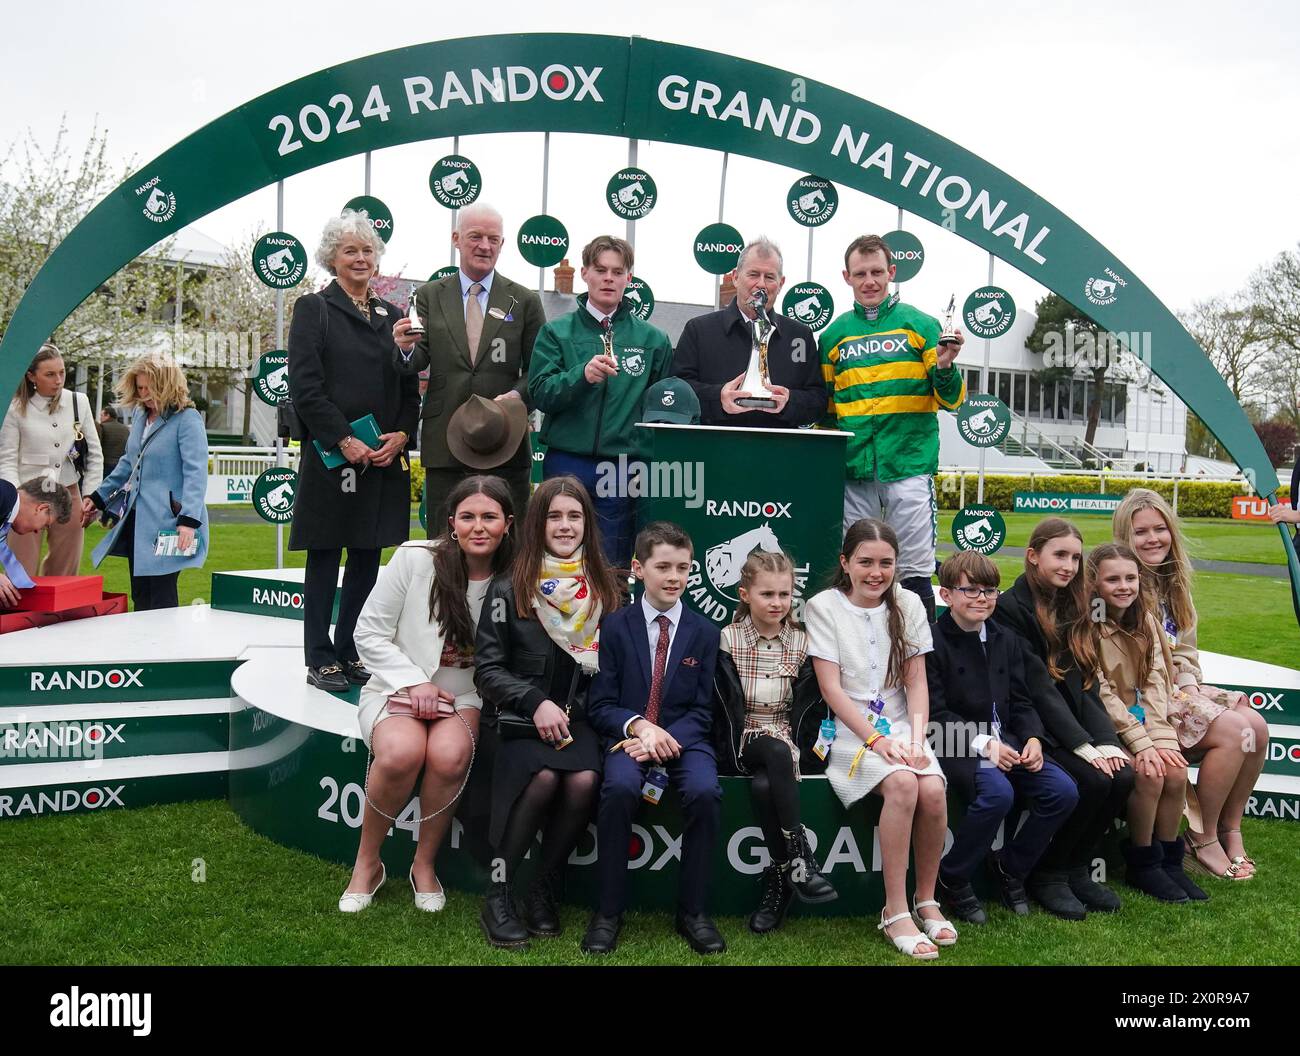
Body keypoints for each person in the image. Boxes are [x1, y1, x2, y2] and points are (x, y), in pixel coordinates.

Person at [338, 475, 515, 914]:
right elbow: (369, 632)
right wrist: (414, 682)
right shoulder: (415, 559)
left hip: (466, 696)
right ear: (452, 523)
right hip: (397, 687)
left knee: (449, 755)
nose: (479, 526)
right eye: (468, 516)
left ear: (508, 523)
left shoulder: (518, 575)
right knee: (401, 752)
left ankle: (424, 864)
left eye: (490, 517)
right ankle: (367, 864)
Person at [473, 476, 622, 949]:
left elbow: (615, 670)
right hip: (519, 719)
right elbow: (487, 670)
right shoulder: (508, 586)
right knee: (541, 779)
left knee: (581, 780)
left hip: (578, 718)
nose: (564, 525)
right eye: (554, 516)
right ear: (537, 522)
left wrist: (573, 710)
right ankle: (498, 893)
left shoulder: (608, 587)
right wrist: (535, 702)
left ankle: (542, 889)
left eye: (574, 516)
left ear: (587, 523)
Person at [805, 517, 955, 959]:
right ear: (845, 563)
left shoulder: (908, 603)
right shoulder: (823, 606)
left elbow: (917, 683)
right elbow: (832, 690)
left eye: (886, 563)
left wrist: (916, 737)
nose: (876, 572)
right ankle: (894, 910)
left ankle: (926, 899)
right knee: (905, 783)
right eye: (865, 562)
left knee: (932, 788)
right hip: (851, 733)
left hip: (903, 728)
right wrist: (876, 741)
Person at [287, 209, 420, 693]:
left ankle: (350, 649)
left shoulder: (394, 317)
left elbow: (410, 389)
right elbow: (305, 386)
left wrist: (402, 435)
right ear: (332, 259)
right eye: (350, 250)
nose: (361, 258)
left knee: (367, 558)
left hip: (383, 460)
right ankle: (319, 657)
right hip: (333, 457)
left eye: (367, 250)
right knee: (325, 558)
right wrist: (345, 440)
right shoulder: (313, 309)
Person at [584, 521, 723, 955]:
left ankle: (693, 912)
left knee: (704, 792)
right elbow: (600, 704)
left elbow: (704, 711)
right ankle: (608, 912)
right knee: (620, 786)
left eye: (683, 567)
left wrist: (661, 737)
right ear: (638, 569)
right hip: (628, 736)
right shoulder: (615, 626)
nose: (674, 577)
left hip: (685, 739)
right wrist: (639, 727)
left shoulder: (705, 631)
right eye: (663, 566)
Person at [1114, 488, 1268, 879]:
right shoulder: (1122, 583)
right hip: (1141, 702)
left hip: (1177, 691)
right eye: (1141, 532)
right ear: (1124, 538)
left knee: (1257, 726)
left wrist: (1191, 686)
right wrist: (1179, 691)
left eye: (1159, 528)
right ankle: (1201, 838)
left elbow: (1184, 653)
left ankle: (1228, 829)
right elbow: (1126, 670)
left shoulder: (1174, 583)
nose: (1152, 539)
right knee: (1234, 733)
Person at [927, 551, 1081, 923]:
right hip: (955, 741)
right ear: (947, 595)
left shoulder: (1006, 639)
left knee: (1063, 791)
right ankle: (953, 876)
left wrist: (1033, 739)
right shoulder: (932, 641)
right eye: (972, 590)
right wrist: (985, 744)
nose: (983, 598)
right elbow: (934, 713)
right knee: (998, 794)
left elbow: (1023, 701)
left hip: (1010, 741)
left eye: (991, 590)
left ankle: (1010, 867)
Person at [818, 235, 967, 622]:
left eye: (877, 272)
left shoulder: (921, 325)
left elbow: (951, 400)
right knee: (858, 565)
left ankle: (921, 660)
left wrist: (947, 366)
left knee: (914, 569)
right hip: (854, 470)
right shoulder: (833, 336)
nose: (870, 281)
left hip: (909, 466)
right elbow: (828, 410)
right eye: (861, 273)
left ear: (892, 273)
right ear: (846, 277)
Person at [991, 518, 1135, 914]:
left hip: (1064, 718)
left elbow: (1083, 681)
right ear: (1033, 556)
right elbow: (1036, 687)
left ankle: (1075, 868)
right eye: (1060, 555)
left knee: (1122, 773)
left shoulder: (1074, 604)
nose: (1069, 565)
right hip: (1027, 724)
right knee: (1090, 777)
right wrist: (1081, 745)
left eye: (1075, 557)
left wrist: (1105, 740)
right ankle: (1048, 873)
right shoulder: (1008, 608)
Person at [395, 204, 545, 525]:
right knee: (443, 545)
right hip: (445, 441)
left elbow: (539, 371)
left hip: (505, 441)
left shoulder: (525, 300)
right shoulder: (429, 296)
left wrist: (515, 400)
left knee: (509, 549)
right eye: (475, 236)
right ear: (456, 239)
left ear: (502, 244)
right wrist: (406, 350)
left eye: (493, 238)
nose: (485, 246)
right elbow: (417, 359)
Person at [529, 235, 673, 568]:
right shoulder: (557, 332)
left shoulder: (653, 340)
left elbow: (660, 413)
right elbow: (539, 393)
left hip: (621, 468)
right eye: (601, 269)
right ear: (585, 274)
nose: (609, 278)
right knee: (559, 560)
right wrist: (581, 376)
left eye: (617, 272)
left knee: (613, 564)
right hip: (567, 461)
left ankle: (612, 621)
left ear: (628, 279)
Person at [713, 549, 837, 935]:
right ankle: (801, 856)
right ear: (745, 594)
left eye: (784, 595)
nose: (777, 603)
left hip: (785, 738)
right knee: (775, 752)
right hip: (744, 737)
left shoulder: (802, 642)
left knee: (769, 781)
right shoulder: (727, 638)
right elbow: (724, 706)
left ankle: (781, 876)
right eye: (767, 594)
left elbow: (807, 708)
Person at [1073, 543, 1201, 903]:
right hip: (1106, 725)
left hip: (1148, 720)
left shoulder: (1145, 618)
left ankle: (1170, 862)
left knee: (1174, 771)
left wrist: (1160, 738)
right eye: (1112, 579)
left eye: (1130, 578)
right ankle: (1142, 863)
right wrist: (1139, 741)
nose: (1124, 586)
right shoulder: (1087, 624)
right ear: (1094, 583)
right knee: (1150, 774)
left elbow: (1157, 679)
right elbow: (1101, 691)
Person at [81, 353, 207, 610]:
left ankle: (166, 649)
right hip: (137, 520)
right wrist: (98, 498)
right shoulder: (140, 417)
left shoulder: (188, 419)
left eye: (151, 387)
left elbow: (196, 473)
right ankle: (142, 648)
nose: (145, 393)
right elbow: (129, 462)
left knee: (161, 597)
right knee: (141, 595)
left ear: (168, 384)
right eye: (140, 388)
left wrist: (188, 521)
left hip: (170, 523)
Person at [672, 238, 826, 428]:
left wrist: (790, 401)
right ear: (736, 277)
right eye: (753, 274)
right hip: (714, 448)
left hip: (782, 451)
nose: (761, 284)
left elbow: (818, 401)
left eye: (769, 277)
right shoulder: (699, 331)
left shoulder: (800, 337)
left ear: (781, 283)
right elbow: (676, 390)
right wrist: (718, 397)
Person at [0, 343, 102, 577]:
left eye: (62, 372)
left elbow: (94, 453)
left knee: (65, 571)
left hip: (69, 493)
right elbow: (6, 458)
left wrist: (91, 495)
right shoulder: (14, 408)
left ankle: (59, 615)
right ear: (31, 376)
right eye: (50, 374)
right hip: (27, 498)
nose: (58, 380)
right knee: (21, 572)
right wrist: (15, 503)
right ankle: (20, 614)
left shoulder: (79, 402)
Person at [0, 477, 71, 607]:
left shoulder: (5, 502)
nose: (38, 531)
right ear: (41, 508)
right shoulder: (2, 495)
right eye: (45, 525)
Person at [97, 406, 129, 480]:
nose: (100, 418)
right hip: (121, 465)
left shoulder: (102, 427)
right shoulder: (125, 428)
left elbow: (98, 445)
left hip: (105, 464)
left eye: (101, 415)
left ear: (108, 415)